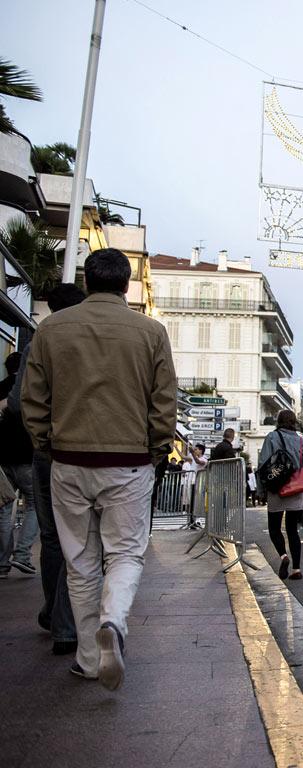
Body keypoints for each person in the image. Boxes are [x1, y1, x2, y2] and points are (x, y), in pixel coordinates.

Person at [22, 248, 177, 691]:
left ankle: (89, 658)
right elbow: (163, 400)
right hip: (128, 463)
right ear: (126, 285)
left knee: (80, 562)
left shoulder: (51, 330)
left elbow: (34, 399)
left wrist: (46, 442)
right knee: (125, 553)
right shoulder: (150, 333)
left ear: (87, 282)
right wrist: (154, 449)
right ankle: (114, 622)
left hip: (68, 461)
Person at [7, 283, 86, 655]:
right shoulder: (96, 337)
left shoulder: (42, 337)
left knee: (53, 538)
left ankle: (57, 619)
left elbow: (19, 399)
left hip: (48, 450)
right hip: (87, 450)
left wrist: (42, 437)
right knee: (81, 538)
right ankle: (65, 621)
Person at [0, 351, 39, 578]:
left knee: (4, 510)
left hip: (3, 460)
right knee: (34, 505)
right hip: (27, 458)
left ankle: (2, 563)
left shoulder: (0, 388)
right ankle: (22, 555)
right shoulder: (31, 389)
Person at [258, 409, 303, 580]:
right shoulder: (302, 441)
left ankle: (283, 556)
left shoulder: (272, 437)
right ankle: (297, 569)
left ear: (278, 421)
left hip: (276, 488)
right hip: (296, 489)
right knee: (293, 530)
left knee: (274, 528)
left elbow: (263, 464)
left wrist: (261, 490)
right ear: (294, 421)